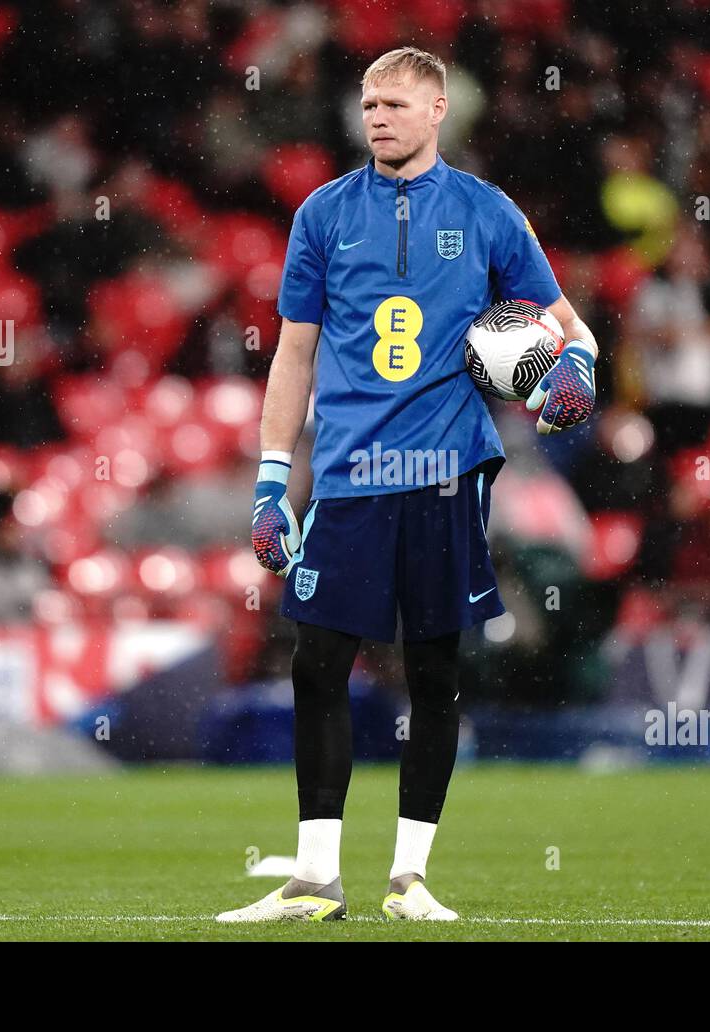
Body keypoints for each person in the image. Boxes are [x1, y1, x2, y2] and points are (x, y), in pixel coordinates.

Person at [217, 47, 599, 923]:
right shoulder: (321, 215)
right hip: (349, 476)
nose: (378, 115)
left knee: (434, 669)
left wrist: (572, 379)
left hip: (444, 474)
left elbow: (569, 335)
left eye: (395, 102)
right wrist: (274, 480)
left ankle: (410, 879)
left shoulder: (491, 214)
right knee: (318, 666)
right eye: (368, 102)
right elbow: (295, 354)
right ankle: (316, 879)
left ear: (436, 114)